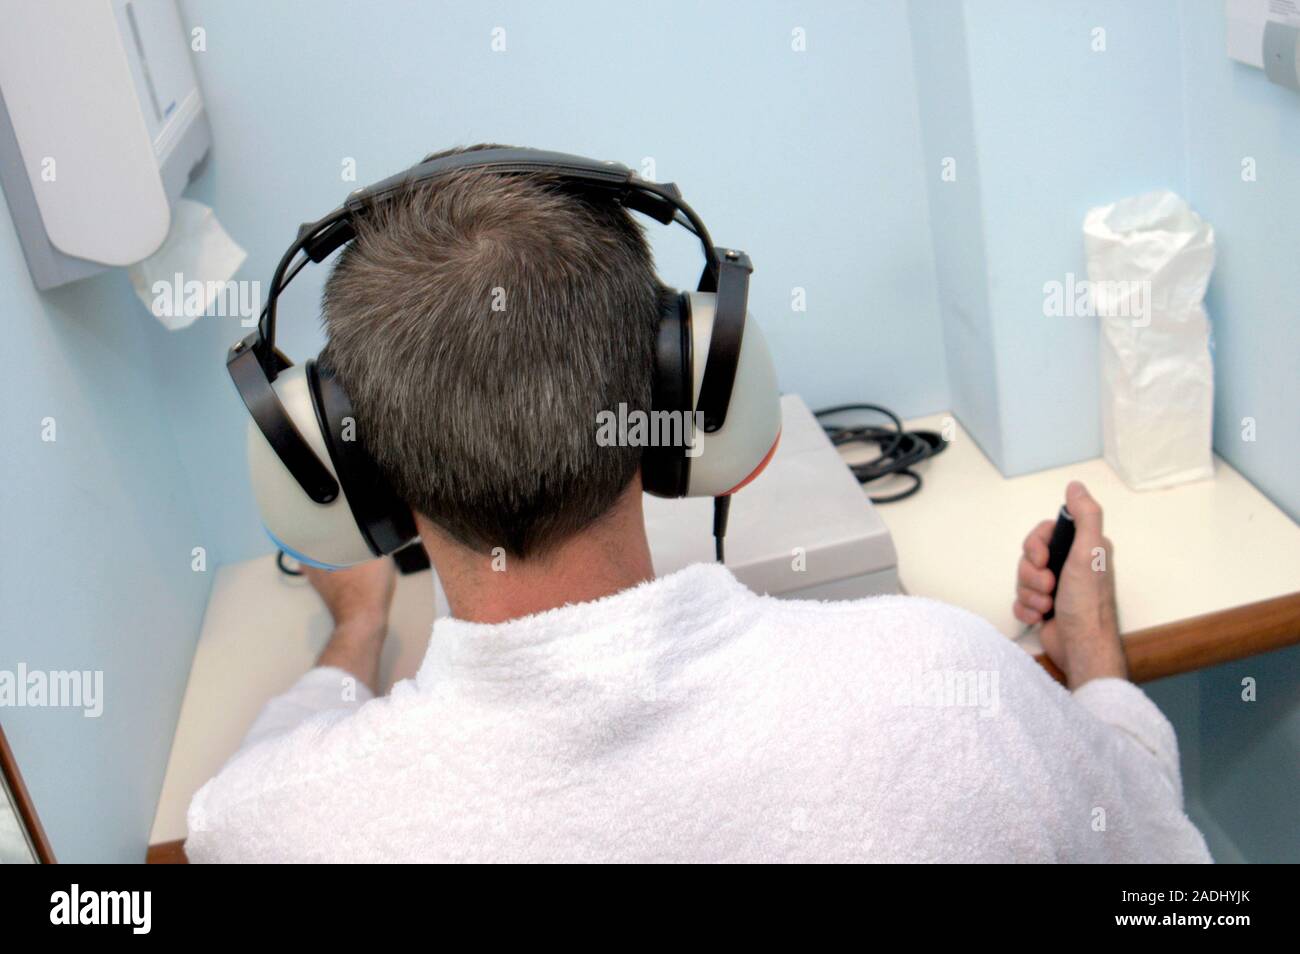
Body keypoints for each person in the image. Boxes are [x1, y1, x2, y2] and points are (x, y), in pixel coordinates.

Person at [186, 149, 1210, 863]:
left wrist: (357, 631)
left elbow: (253, 798)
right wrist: (1093, 654)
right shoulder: (948, 683)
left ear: (345, 471)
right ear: (687, 402)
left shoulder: (275, 825)